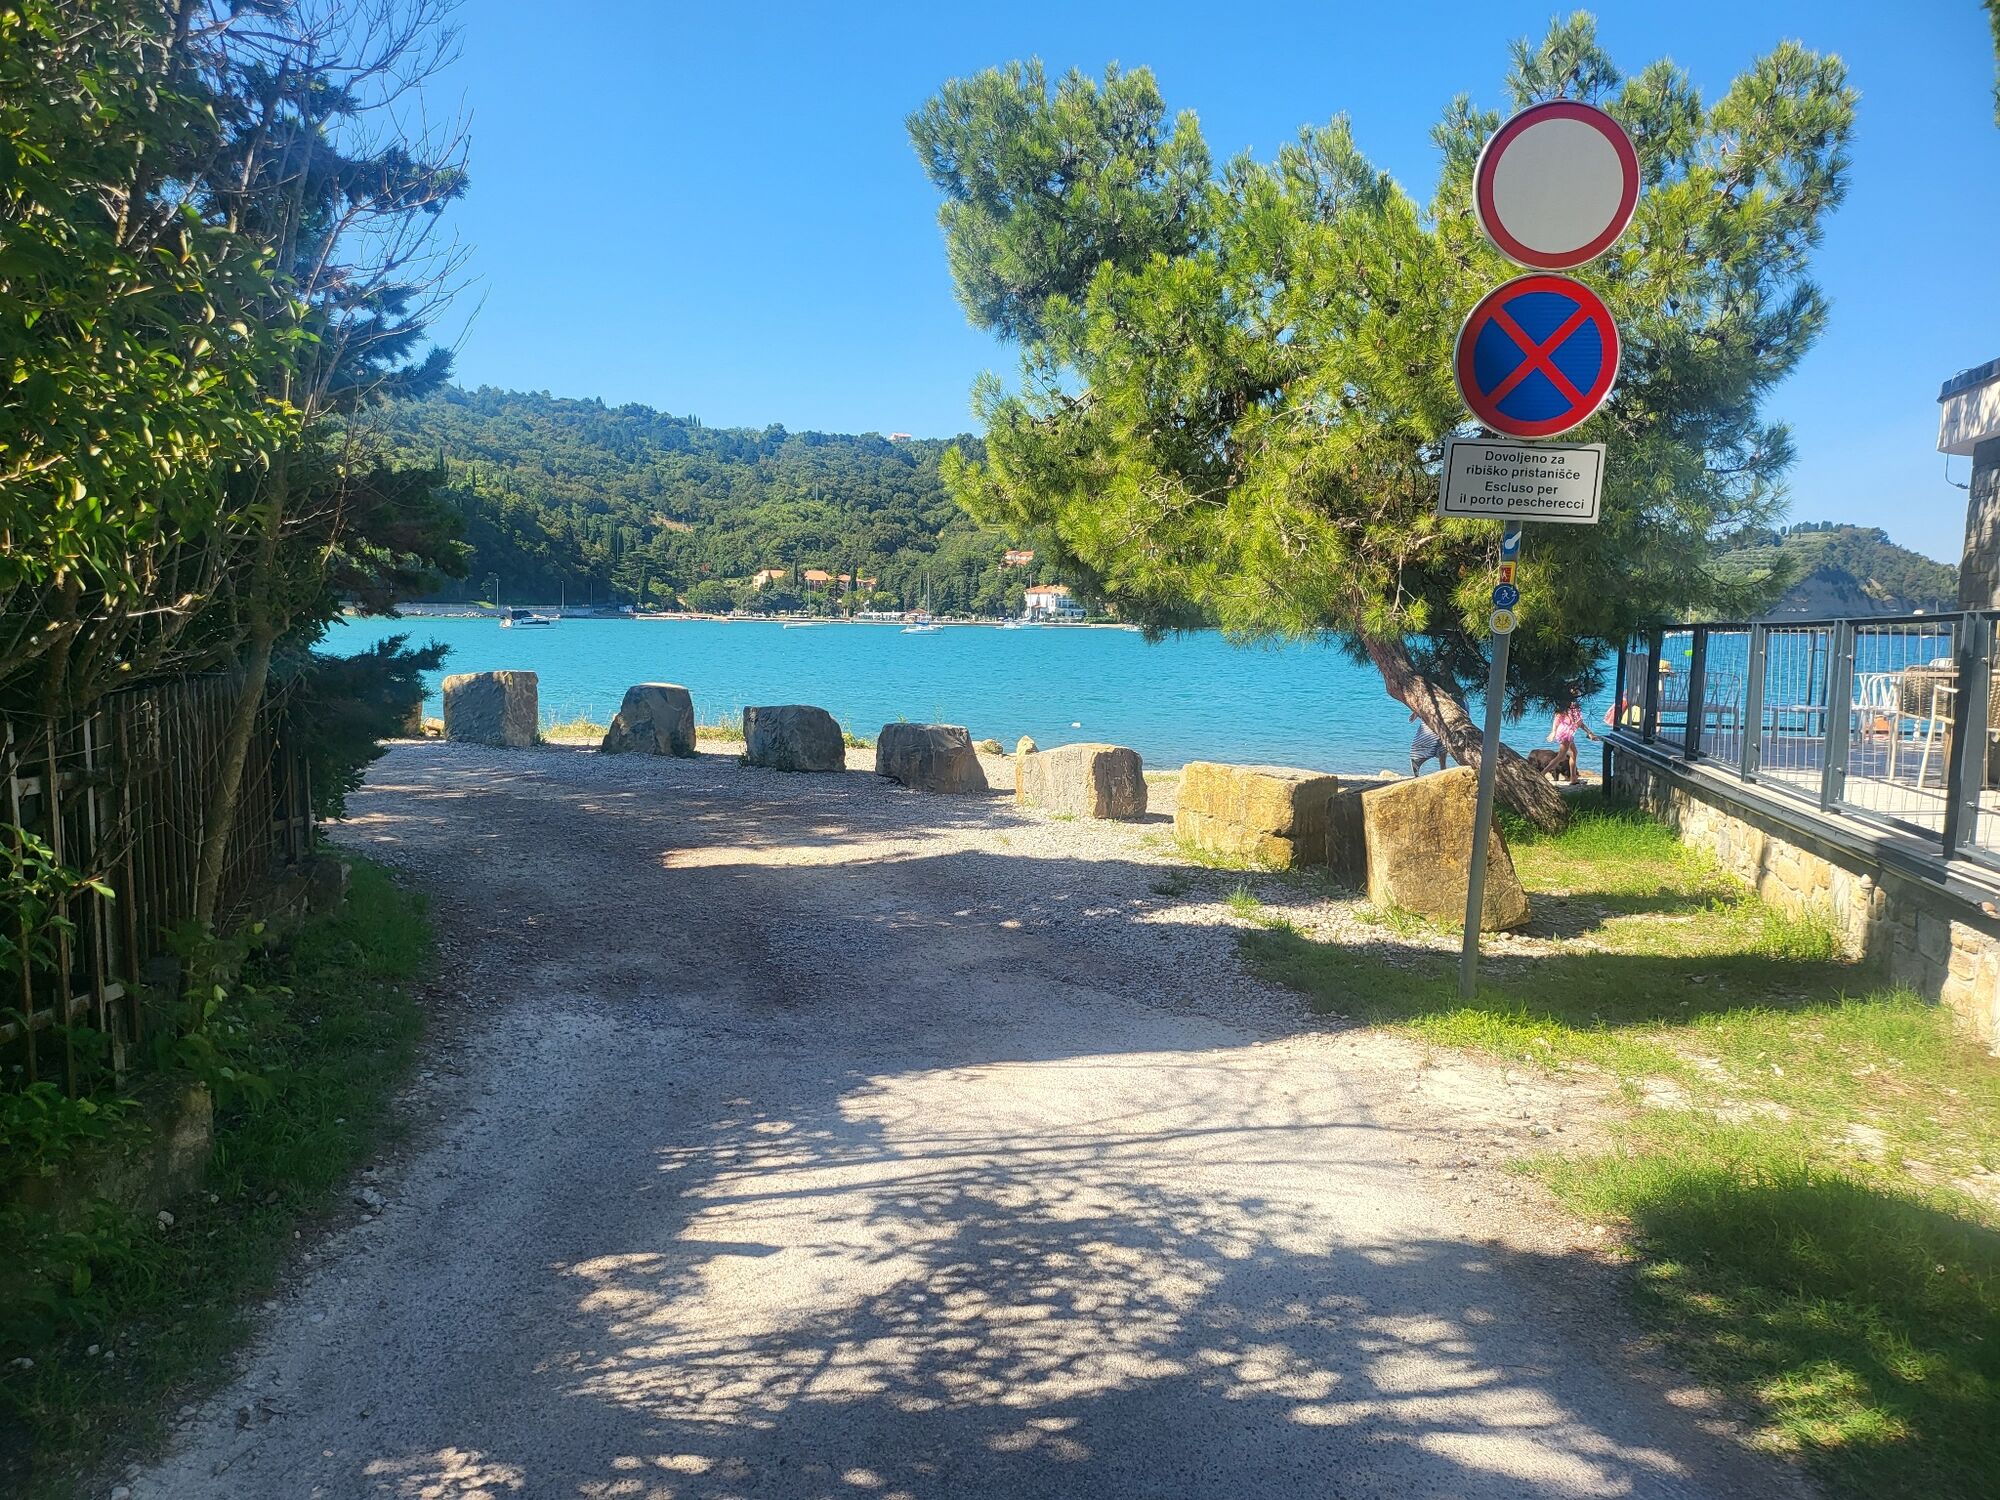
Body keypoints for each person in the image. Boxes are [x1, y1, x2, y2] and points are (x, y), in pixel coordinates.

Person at [1548, 692, 1600, 785]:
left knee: (1574, 753)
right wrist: (1553, 732)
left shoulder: (1567, 705)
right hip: (1566, 733)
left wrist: (1590, 733)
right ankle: (1542, 774)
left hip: (1567, 732)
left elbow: (1559, 718)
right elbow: (1579, 723)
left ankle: (1573, 778)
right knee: (1561, 756)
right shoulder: (1573, 707)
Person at [1409, 711, 1447, 776]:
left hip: (1438, 721)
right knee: (1441, 747)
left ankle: (1443, 770)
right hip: (1436, 721)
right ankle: (1443, 770)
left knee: (1442, 746)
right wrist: (1416, 712)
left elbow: (1411, 719)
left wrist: (1416, 712)